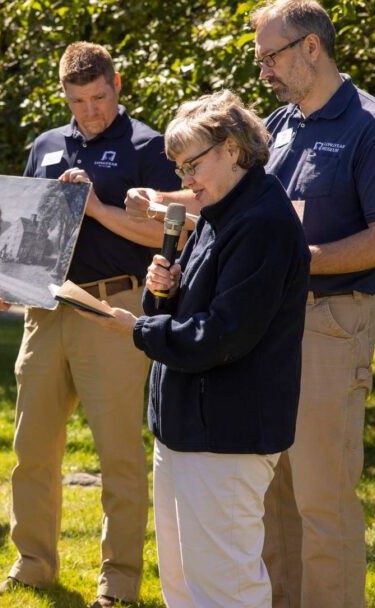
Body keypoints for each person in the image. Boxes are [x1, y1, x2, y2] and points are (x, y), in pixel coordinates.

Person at [125, 0, 375, 608]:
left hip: (329, 320)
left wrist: (287, 266)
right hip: (258, 326)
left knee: (321, 495)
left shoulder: (374, 126)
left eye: (271, 57)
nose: (263, 71)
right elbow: (233, 205)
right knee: (269, 495)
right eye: (259, 60)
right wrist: (170, 200)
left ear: (312, 46)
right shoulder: (278, 127)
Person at [79, 90, 309, 607]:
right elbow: (192, 307)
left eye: (192, 165)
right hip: (186, 425)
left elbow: (224, 334)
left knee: (226, 587)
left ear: (231, 149)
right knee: (183, 583)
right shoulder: (216, 209)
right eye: (179, 168)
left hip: (227, 433)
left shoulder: (262, 223)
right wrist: (165, 288)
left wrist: (137, 329)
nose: (184, 182)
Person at [0, 42, 181, 608]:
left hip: (113, 311)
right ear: (63, 94)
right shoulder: (45, 146)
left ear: (118, 84)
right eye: (77, 100)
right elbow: (24, 232)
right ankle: (33, 564)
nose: (89, 111)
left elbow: (170, 236)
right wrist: (3, 283)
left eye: (99, 97)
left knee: (118, 454)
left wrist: (94, 207)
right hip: (44, 309)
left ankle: (119, 583)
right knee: (32, 448)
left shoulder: (149, 148)